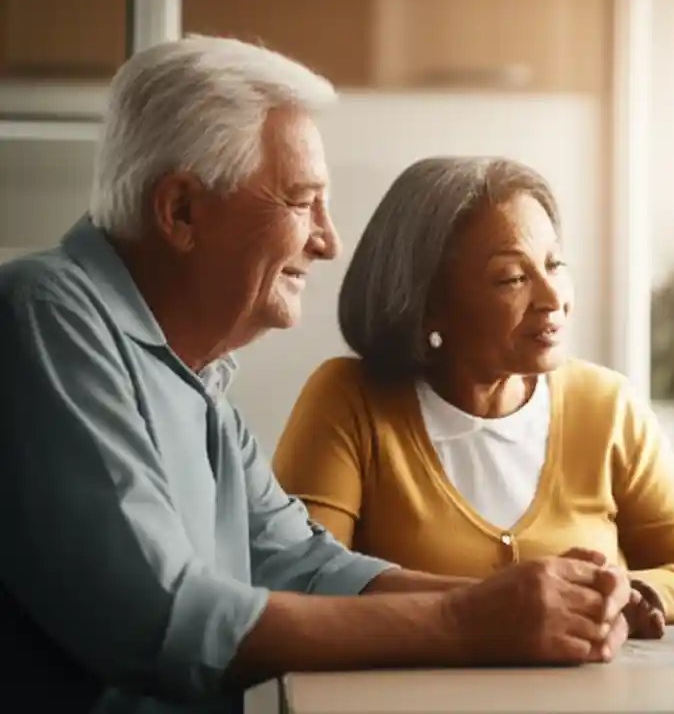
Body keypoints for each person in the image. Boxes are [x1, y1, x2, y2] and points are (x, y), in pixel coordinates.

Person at [0, 37, 635, 713]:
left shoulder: (199, 376)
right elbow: (164, 615)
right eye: (303, 202)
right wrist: (470, 623)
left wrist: (533, 602)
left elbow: (308, 566)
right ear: (182, 211)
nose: (328, 240)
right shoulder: (44, 315)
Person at [272, 156, 674, 634]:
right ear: (427, 303)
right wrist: (494, 608)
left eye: (555, 264)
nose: (553, 298)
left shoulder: (606, 405)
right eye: (513, 278)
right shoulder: (350, 401)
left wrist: (633, 593)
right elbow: (305, 588)